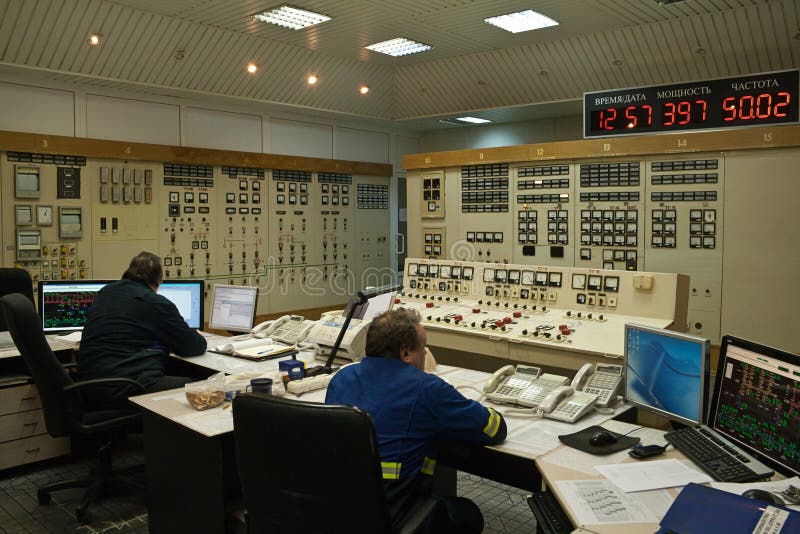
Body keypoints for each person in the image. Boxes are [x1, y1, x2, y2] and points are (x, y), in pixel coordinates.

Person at [325, 308, 506, 533]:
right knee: (468, 514)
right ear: (406, 353)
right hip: (395, 517)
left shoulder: (342, 378)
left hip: (340, 512)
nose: (425, 353)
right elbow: (494, 429)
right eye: (423, 347)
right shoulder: (427, 388)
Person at [77, 252, 207, 409]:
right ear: (157, 281)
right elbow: (194, 347)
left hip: (88, 385)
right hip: (126, 386)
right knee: (198, 386)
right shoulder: (154, 302)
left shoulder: (105, 292)